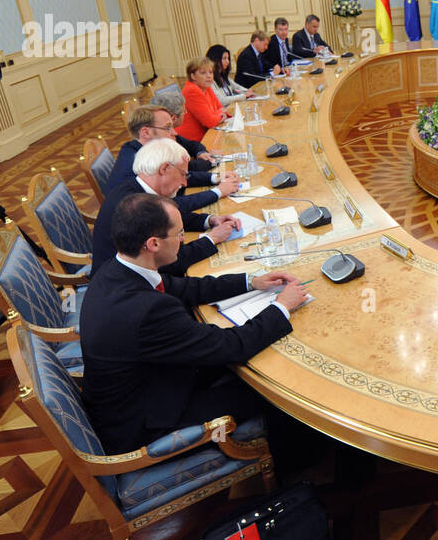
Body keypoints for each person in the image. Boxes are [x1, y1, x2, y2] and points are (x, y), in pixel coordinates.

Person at [80, 193, 311, 455]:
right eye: (178, 233)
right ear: (153, 243)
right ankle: (302, 469)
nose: (183, 239)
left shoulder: (118, 268)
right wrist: (281, 307)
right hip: (146, 422)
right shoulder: (148, 311)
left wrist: (251, 282)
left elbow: (185, 287)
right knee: (276, 394)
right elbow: (231, 346)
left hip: (147, 383)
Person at [90, 138, 239, 277]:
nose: (185, 183)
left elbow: (167, 219)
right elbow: (168, 263)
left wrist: (210, 220)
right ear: (165, 168)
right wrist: (212, 239)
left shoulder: (135, 188)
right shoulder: (137, 207)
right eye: (183, 174)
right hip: (123, 284)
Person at [177, 56, 228, 142]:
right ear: (193, 76)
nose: (209, 76)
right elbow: (210, 122)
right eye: (203, 73)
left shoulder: (206, 86)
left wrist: (216, 114)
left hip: (208, 133)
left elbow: (221, 108)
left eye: (210, 72)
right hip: (193, 141)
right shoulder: (192, 91)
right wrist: (220, 114)